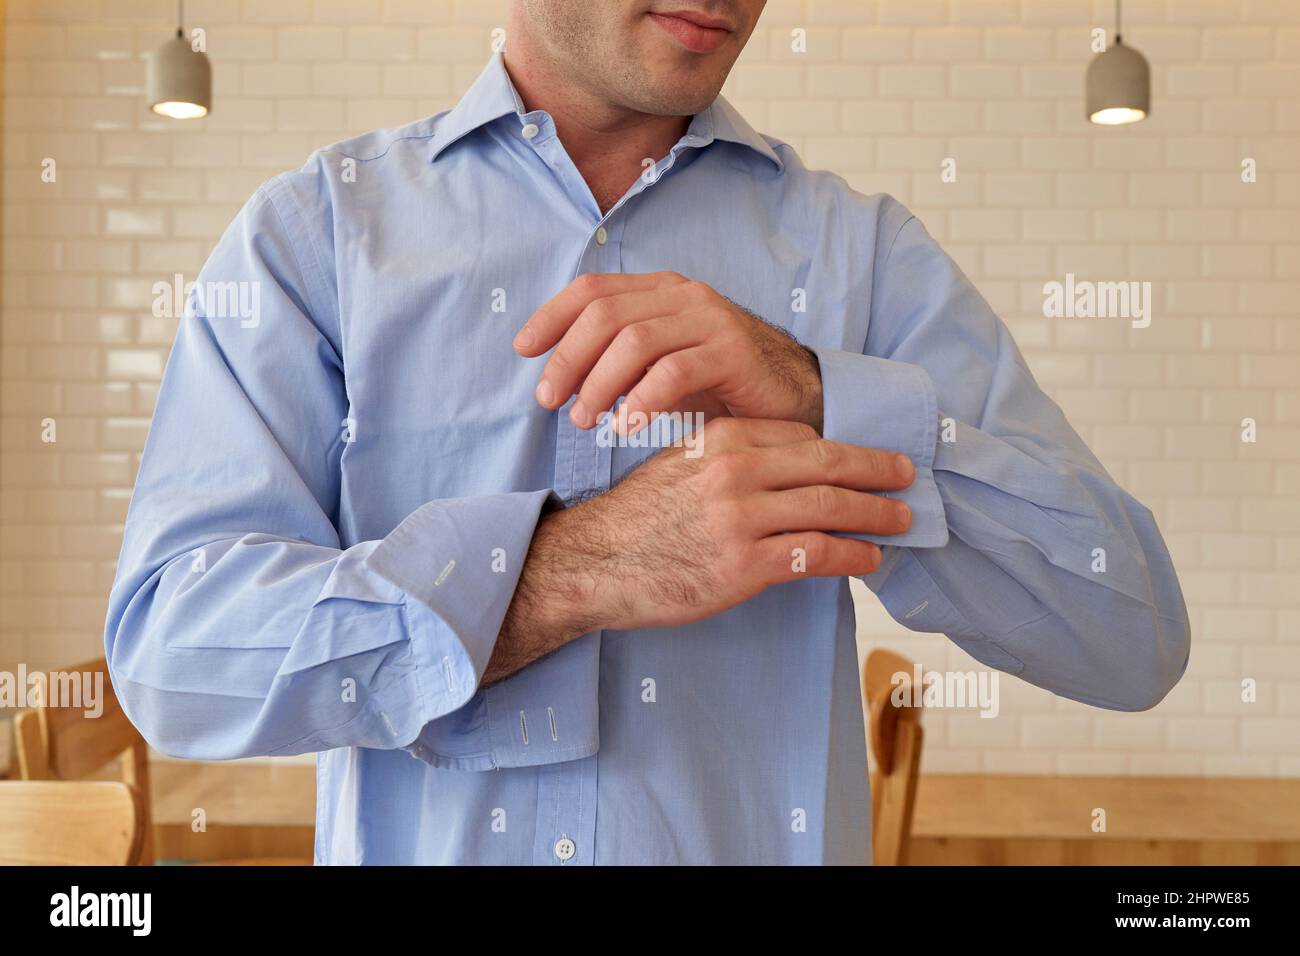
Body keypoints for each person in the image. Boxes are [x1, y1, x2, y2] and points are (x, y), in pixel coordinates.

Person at [105, 1, 1189, 865]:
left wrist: (817, 391)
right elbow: (175, 655)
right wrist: (568, 571)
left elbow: (1128, 631)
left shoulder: (859, 255)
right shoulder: (318, 239)